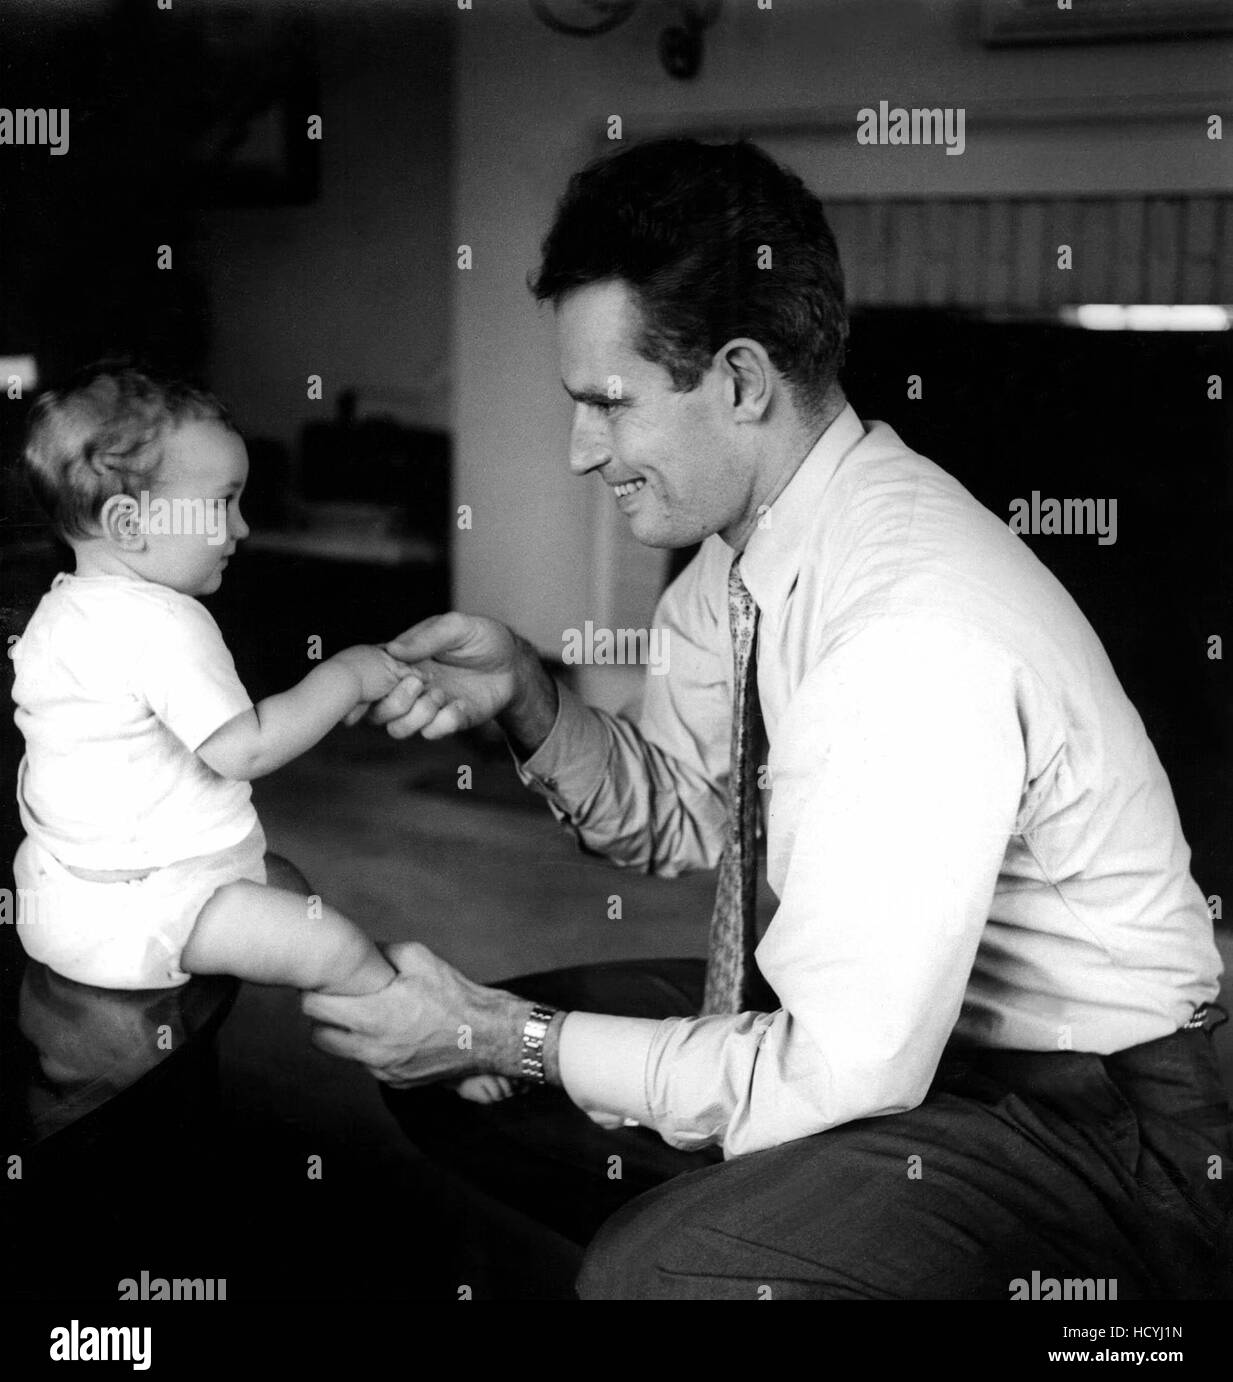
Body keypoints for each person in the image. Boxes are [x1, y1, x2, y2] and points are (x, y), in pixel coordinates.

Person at [303, 139, 1232, 1299]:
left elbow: (841, 1068)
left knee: (646, 1274)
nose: (581, 451)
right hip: (915, 1046)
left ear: (742, 380)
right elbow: (687, 818)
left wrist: (510, 1035)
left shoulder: (904, 627)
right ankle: (774, 1228)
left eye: (607, 404)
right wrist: (532, 701)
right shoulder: (737, 564)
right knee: (441, 1074)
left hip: (1105, 1120)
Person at [11, 366, 509, 1103]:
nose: (241, 528)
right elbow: (246, 746)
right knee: (331, 942)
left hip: (69, 891)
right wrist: (343, 675)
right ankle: (425, 1048)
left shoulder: (61, 610)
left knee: (286, 884)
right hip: (144, 907)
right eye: (222, 504)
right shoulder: (163, 622)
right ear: (128, 524)